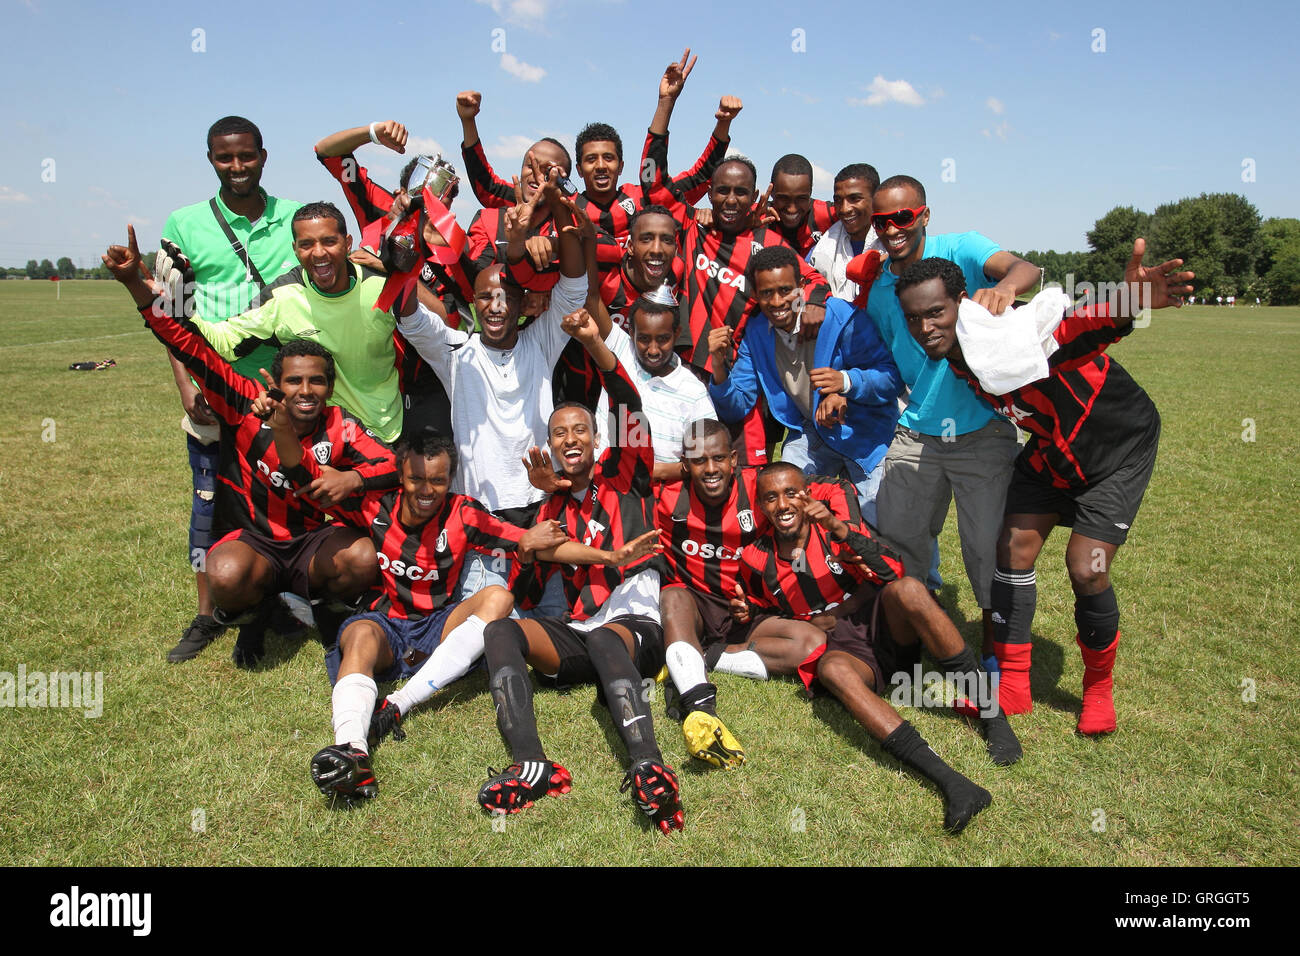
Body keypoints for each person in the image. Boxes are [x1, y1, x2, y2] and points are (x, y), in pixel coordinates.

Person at [894, 244, 1193, 734]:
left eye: (935, 313)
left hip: (1115, 450)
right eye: (913, 318)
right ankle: (1013, 687)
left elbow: (1071, 328)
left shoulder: (1008, 335)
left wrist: (1132, 298)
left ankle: (1097, 690)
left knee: (1087, 567)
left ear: (962, 302)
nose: (925, 327)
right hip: (1053, 450)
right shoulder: (955, 353)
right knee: (1011, 550)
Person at [102, 227, 396, 667]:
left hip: (313, 544)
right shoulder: (243, 404)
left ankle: (328, 608)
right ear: (275, 383)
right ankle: (255, 615)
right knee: (224, 571)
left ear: (330, 387)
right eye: (293, 381)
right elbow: (189, 345)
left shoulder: (341, 427)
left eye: (316, 381)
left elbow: (394, 466)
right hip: (256, 541)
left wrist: (353, 477)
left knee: (362, 556)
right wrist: (133, 285)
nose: (305, 391)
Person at [479, 309, 684, 834]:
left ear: (596, 439)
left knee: (605, 642)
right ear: (549, 444)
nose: (570, 439)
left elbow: (629, 404)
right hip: (581, 632)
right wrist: (526, 554)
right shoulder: (547, 508)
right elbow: (524, 591)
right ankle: (532, 765)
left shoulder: (626, 474)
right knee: (500, 629)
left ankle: (649, 763)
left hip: (633, 626)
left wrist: (594, 342)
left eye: (580, 431)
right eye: (559, 433)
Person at [736, 463, 1021, 833]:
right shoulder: (755, 558)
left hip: (883, 625)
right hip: (845, 650)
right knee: (832, 670)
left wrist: (839, 529)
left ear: (807, 494)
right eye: (771, 498)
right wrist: (744, 611)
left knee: (910, 590)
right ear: (760, 506)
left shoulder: (834, 530)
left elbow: (893, 571)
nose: (783, 504)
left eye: (791, 493)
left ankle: (990, 713)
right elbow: (761, 610)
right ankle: (953, 782)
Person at [391, 172, 588, 605]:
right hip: (477, 518)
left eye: (505, 297)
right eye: (484, 298)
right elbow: (409, 316)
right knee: (487, 624)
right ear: (472, 303)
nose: (495, 307)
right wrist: (405, 254)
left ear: (520, 304)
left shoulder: (541, 341)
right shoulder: (455, 350)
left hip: (540, 509)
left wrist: (556, 206)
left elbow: (574, 286)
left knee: (551, 627)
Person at [866, 175, 1039, 664]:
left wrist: (1002, 289)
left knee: (987, 550)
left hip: (983, 433)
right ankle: (904, 651)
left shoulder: (962, 250)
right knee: (899, 546)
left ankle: (993, 658)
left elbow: (1027, 269)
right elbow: (892, 358)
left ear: (923, 214)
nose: (892, 228)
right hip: (915, 432)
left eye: (902, 217)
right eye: (881, 221)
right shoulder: (880, 288)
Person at [159, 116, 303, 663]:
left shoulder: (293, 217)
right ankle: (206, 615)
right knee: (210, 504)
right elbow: (172, 315)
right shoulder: (184, 223)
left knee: (287, 502)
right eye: (225, 158)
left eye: (247, 156)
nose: (237, 167)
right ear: (211, 159)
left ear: (264, 156)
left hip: (287, 391)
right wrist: (185, 386)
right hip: (214, 387)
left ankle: (282, 602)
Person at [656, 420, 860, 768]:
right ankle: (701, 709)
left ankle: (702, 658)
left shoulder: (759, 486)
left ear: (734, 459)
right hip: (697, 602)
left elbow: (830, 486)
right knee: (673, 596)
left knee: (812, 645)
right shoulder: (668, 497)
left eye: (718, 458)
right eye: (699, 461)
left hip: (752, 608)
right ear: (685, 465)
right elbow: (620, 481)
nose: (710, 469)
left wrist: (846, 527)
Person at [180, 201, 409, 444]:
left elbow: (437, 328)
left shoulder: (383, 284)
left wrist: (403, 273)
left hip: (388, 432)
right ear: (295, 249)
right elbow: (224, 341)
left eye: (329, 241)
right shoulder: (283, 295)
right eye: (306, 244)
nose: (319, 252)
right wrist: (179, 311)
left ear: (348, 243)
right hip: (324, 439)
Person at [708, 246, 900, 522]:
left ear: (801, 285)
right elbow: (736, 406)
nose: (777, 302)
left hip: (867, 435)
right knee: (786, 498)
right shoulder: (757, 333)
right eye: (766, 293)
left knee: (879, 523)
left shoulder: (839, 317)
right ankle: (801, 563)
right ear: (755, 294)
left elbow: (889, 377)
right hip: (814, 433)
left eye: (785, 290)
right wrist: (718, 366)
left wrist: (845, 383)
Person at [313, 118, 477, 439]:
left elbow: (455, 323)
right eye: (428, 192)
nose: (438, 203)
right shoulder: (378, 208)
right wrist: (372, 133)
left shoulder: (453, 246)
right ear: (402, 191)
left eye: (447, 196)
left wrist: (392, 272)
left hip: (426, 383)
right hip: (364, 380)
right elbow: (327, 152)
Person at [676, 156, 832, 464]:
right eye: (722, 190)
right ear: (710, 193)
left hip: (739, 377)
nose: (731, 200)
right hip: (685, 372)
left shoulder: (767, 242)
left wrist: (809, 305)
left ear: (754, 195)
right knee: (686, 465)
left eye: (741, 192)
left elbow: (813, 281)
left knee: (743, 472)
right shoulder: (694, 228)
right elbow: (659, 193)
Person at [592, 287, 715, 481]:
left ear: (677, 333)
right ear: (631, 332)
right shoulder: (622, 350)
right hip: (602, 491)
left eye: (663, 339)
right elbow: (591, 295)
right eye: (643, 339)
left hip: (655, 500)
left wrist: (642, 472)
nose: (653, 350)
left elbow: (704, 458)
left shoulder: (693, 392)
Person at [807, 163, 883, 301]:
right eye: (838, 200)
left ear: (876, 199)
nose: (844, 209)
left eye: (854, 199)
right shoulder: (821, 251)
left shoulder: (893, 241)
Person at [767, 153, 838, 257]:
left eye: (801, 199)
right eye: (783, 198)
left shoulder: (827, 214)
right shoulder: (755, 216)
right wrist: (747, 226)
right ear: (771, 191)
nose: (792, 209)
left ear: (810, 191)